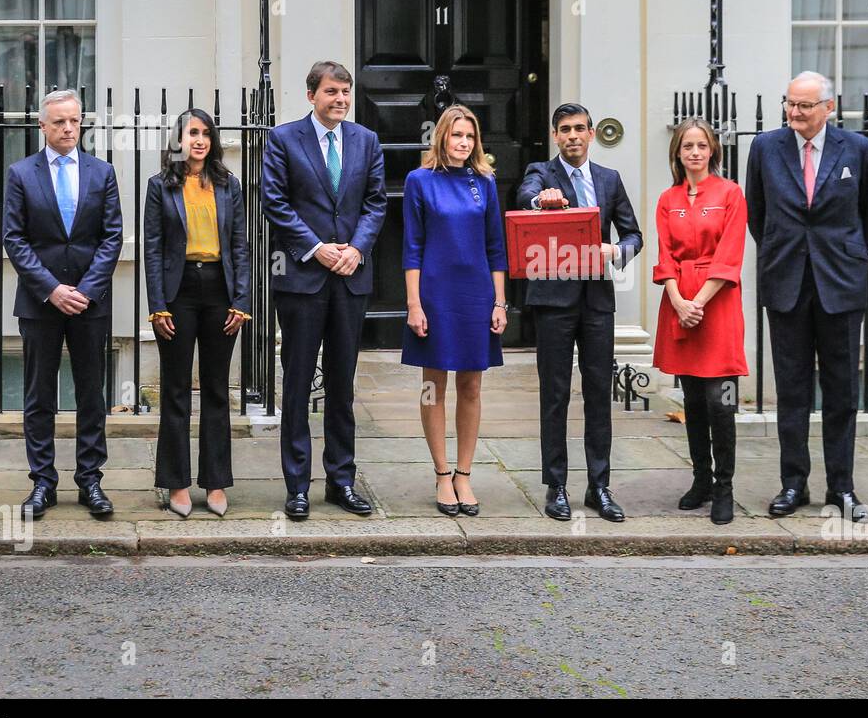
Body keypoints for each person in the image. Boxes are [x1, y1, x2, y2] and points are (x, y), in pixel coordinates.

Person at [745, 71, 868, 522]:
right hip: (786, 282)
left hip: (840, 285)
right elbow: (757, 213)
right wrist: (781, 252)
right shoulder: (765, 147)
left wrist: (845, 257)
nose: (794, 112)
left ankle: (841, 488)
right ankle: (793, 483)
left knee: (842, 393)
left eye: (804, 105)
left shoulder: (858, 149)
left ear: (829, 107)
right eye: (790, 103)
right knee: (792, 390)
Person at [262, 61, 387, 521]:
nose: (341, 100)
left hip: (351, 279)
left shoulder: (366, 141)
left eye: (346, 92)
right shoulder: (283, 139)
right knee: (296, 384)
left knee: (342, 385)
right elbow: (274, 202)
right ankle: (297, 485)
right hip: (302, 280)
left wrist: (356, 248)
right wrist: (316, 249)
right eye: (332, 92)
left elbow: (375, 202)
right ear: (311, 94)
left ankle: (342, 481)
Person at [517, 103, 643, 522]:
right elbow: (525, 196)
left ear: (590, 134)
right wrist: (541, 199)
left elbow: (634, 234)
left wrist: (617, 251)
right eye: (565, 129)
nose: (572, 136)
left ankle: (599, 486)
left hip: (597, 301)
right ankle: (556, 486)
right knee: (554, 395)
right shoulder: (542, 172)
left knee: (597, 394)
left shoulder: (609, 180)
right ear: (556, 136)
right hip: (552, 300)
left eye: (579, 129)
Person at [2, 89, 123, 521]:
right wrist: (52, 289)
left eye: (73, 120)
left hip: (90, 304)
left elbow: (112, 238)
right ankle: (43, 482)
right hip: (40, 303)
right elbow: (14, 239)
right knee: (40, 396)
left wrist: (86, 290)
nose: (68, 128)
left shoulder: (102, 172)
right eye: (59, 122)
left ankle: (90, 480)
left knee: (92, 394)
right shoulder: (20, 173)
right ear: (43, 126)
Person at [144, 109, 251, 519]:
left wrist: (241, 301)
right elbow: (152, 249)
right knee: (175, 390)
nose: (200, 140)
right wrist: (157, 305)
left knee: (217, 389)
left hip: (220, 293)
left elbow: (240, 247)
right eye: (192, 133)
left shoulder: (229, 185)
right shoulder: (160, 187)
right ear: (178, 140)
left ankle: (217, 481)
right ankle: (176, 482)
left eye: (206, 133)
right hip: (178, 292)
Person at [402, 106, 509, 516]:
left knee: (472, 385)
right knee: (433, 385)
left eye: (469, 136)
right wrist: (414, 303)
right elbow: (412, 247)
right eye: (456, 135)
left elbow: (495, 247)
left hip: (476, 294)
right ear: (442, 137)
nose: (463, 143)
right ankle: (442, 473)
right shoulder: (419, 181)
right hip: (434, 294)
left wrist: (499, 302)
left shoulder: (484, 182)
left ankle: (464, 472)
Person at [652, 118, 748, 525]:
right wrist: (678, 300)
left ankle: (725, 485)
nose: (694, 152)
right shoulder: (667, 198)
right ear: (677, 152)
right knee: (692, 400)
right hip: (680, 303)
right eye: (687, 145)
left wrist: (698, 302)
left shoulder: (730, 193)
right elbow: (665, 254)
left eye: (701, 145)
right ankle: (701, 480)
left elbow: (730, 254)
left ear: (712, 151)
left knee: (720, 402)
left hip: (718, 305)